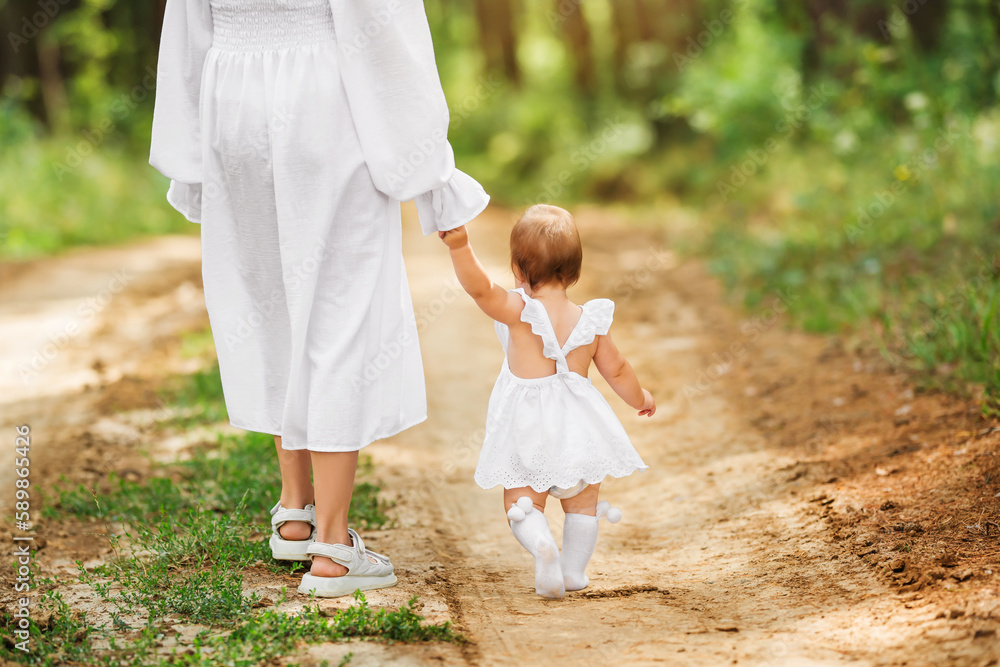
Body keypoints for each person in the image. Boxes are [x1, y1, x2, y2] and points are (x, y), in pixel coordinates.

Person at [149, 0, 489, 598]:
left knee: (269, 302)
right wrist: (427, 161)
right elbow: (381, 29)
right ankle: (332, 547)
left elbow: (186, 26)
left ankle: (296, 510)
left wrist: (191, 149)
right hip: (323, 100)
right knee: (341, 308)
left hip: (229, 95)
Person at [439, 205, 654, 599]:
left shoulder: (520, 311)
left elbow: (479, 289)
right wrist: (641, 398)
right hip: (579, 425)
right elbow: (617, 369)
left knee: (522, 500)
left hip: (527, 424)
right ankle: (573, 572)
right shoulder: (590, 319)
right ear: (574, 270)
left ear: (519, 269)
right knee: (584, 501)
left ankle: (541, 546)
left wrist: (460, 245)